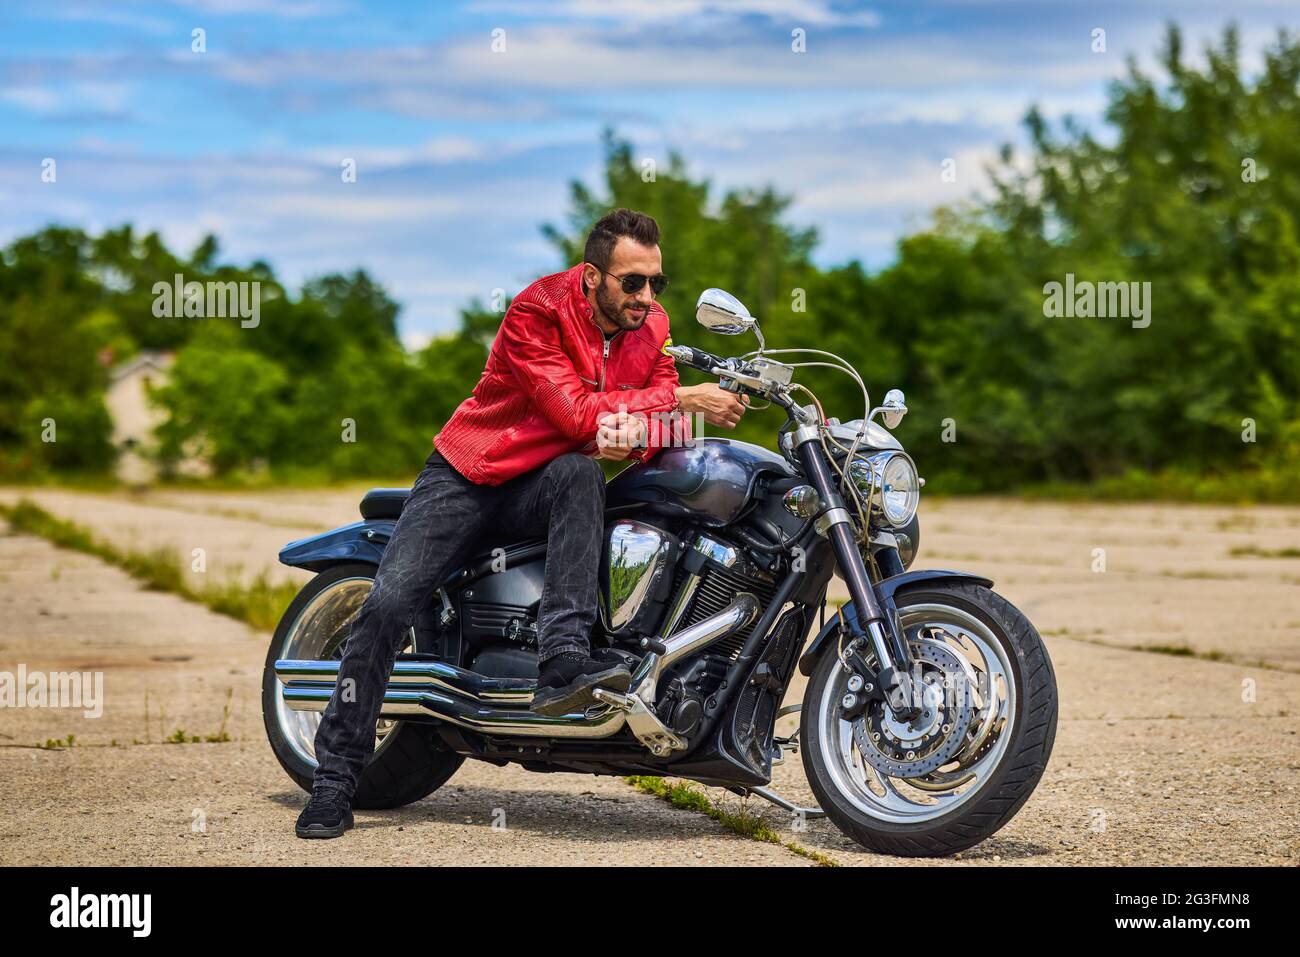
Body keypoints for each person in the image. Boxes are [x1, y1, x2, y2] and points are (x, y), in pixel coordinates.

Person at [296, 208, 747, 837]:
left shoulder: (653, 329)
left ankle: (563, 660)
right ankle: (334, 780)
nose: (648, 298)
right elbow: (574, 415)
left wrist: (681, 427)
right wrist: (678, 402)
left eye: (657, 284)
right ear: (592, 277)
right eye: (633, 283)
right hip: (471, 475)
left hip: (542, 483)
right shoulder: (537, 309)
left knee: (582, 475)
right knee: (390, 603)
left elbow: (647, 437)